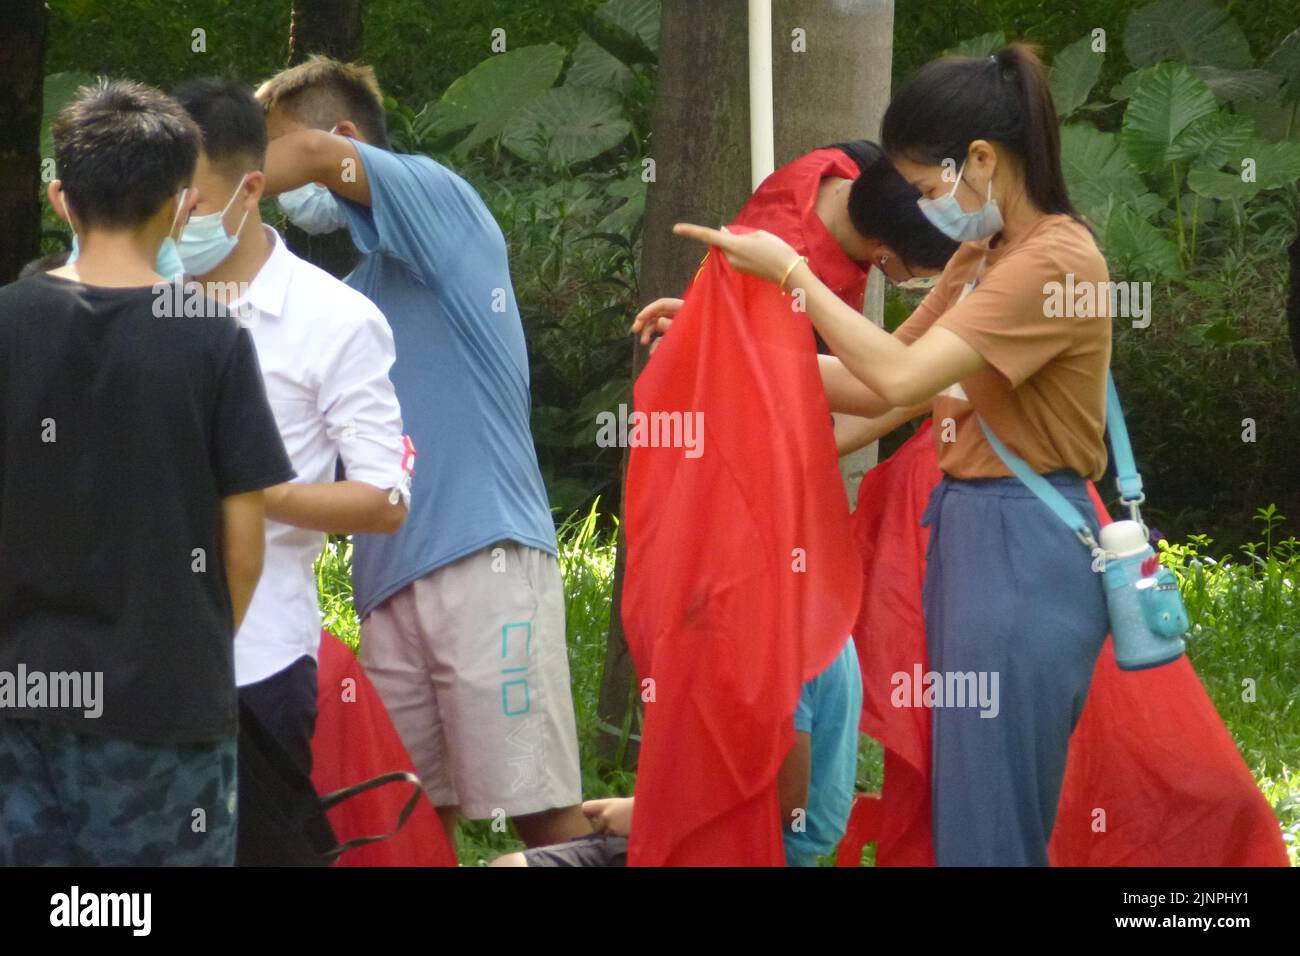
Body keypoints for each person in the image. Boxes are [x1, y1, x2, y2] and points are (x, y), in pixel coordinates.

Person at [677, 44, 1113, 866]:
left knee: (994, 826)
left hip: (1024, 545)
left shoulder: (1055, 261)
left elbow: (899, 373)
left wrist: (796, 278)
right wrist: (717, 344)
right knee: (970, 810)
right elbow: (883, 385)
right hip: (976, 538)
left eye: (923, 188)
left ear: (980, 159)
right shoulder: (991, 256)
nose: (922, 207)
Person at [254, 56, 586, 846]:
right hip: (386, 581)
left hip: (487, 558)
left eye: (258, 153)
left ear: (342, 141)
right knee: (405, 812)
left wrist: (192, 184)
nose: (259, 177)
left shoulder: (448, 210)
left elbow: (301, 159)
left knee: (541, 811)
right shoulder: (352, 297)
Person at [0, 80, 294, 865]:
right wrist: (186, 646)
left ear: (61, 199)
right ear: (181, 204)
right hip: (163, 708)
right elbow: (242, 545)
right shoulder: (211, 339)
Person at [170, 78, 410, 859]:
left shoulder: (334, 319)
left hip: (258, 658)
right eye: (160, 197)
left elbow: (384, 497)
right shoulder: (134, 301)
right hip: (130, 655)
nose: (174, 221)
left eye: (192, 202)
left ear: (250, 189)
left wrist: (253, 491)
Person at [631, 140, 957, 448]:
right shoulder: (785, 291)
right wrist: (950, 374)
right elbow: (864, 398)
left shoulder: (855, 166)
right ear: (882, 252)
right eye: (918, 278)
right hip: (717, 438)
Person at [491, 638, 862, 867]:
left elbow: (786, 799)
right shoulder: (816, 619)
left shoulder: (781, 635)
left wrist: (652, 815)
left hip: (742, 853)